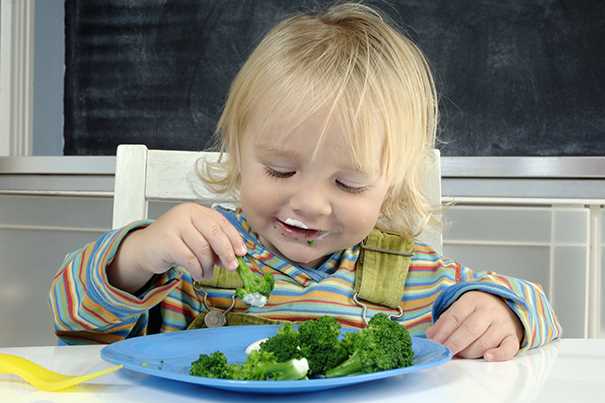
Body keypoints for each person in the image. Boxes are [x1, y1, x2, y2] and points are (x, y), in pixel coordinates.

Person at [49, 2, 560, 361]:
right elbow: (74, 321)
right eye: (280, 170)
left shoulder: (413, 277)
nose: (311, 203)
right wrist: (138, 256)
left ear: (391, 188)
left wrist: (504, 314)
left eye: (351, 184)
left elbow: (540, 308)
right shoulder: (189, 262)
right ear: (239, 156)